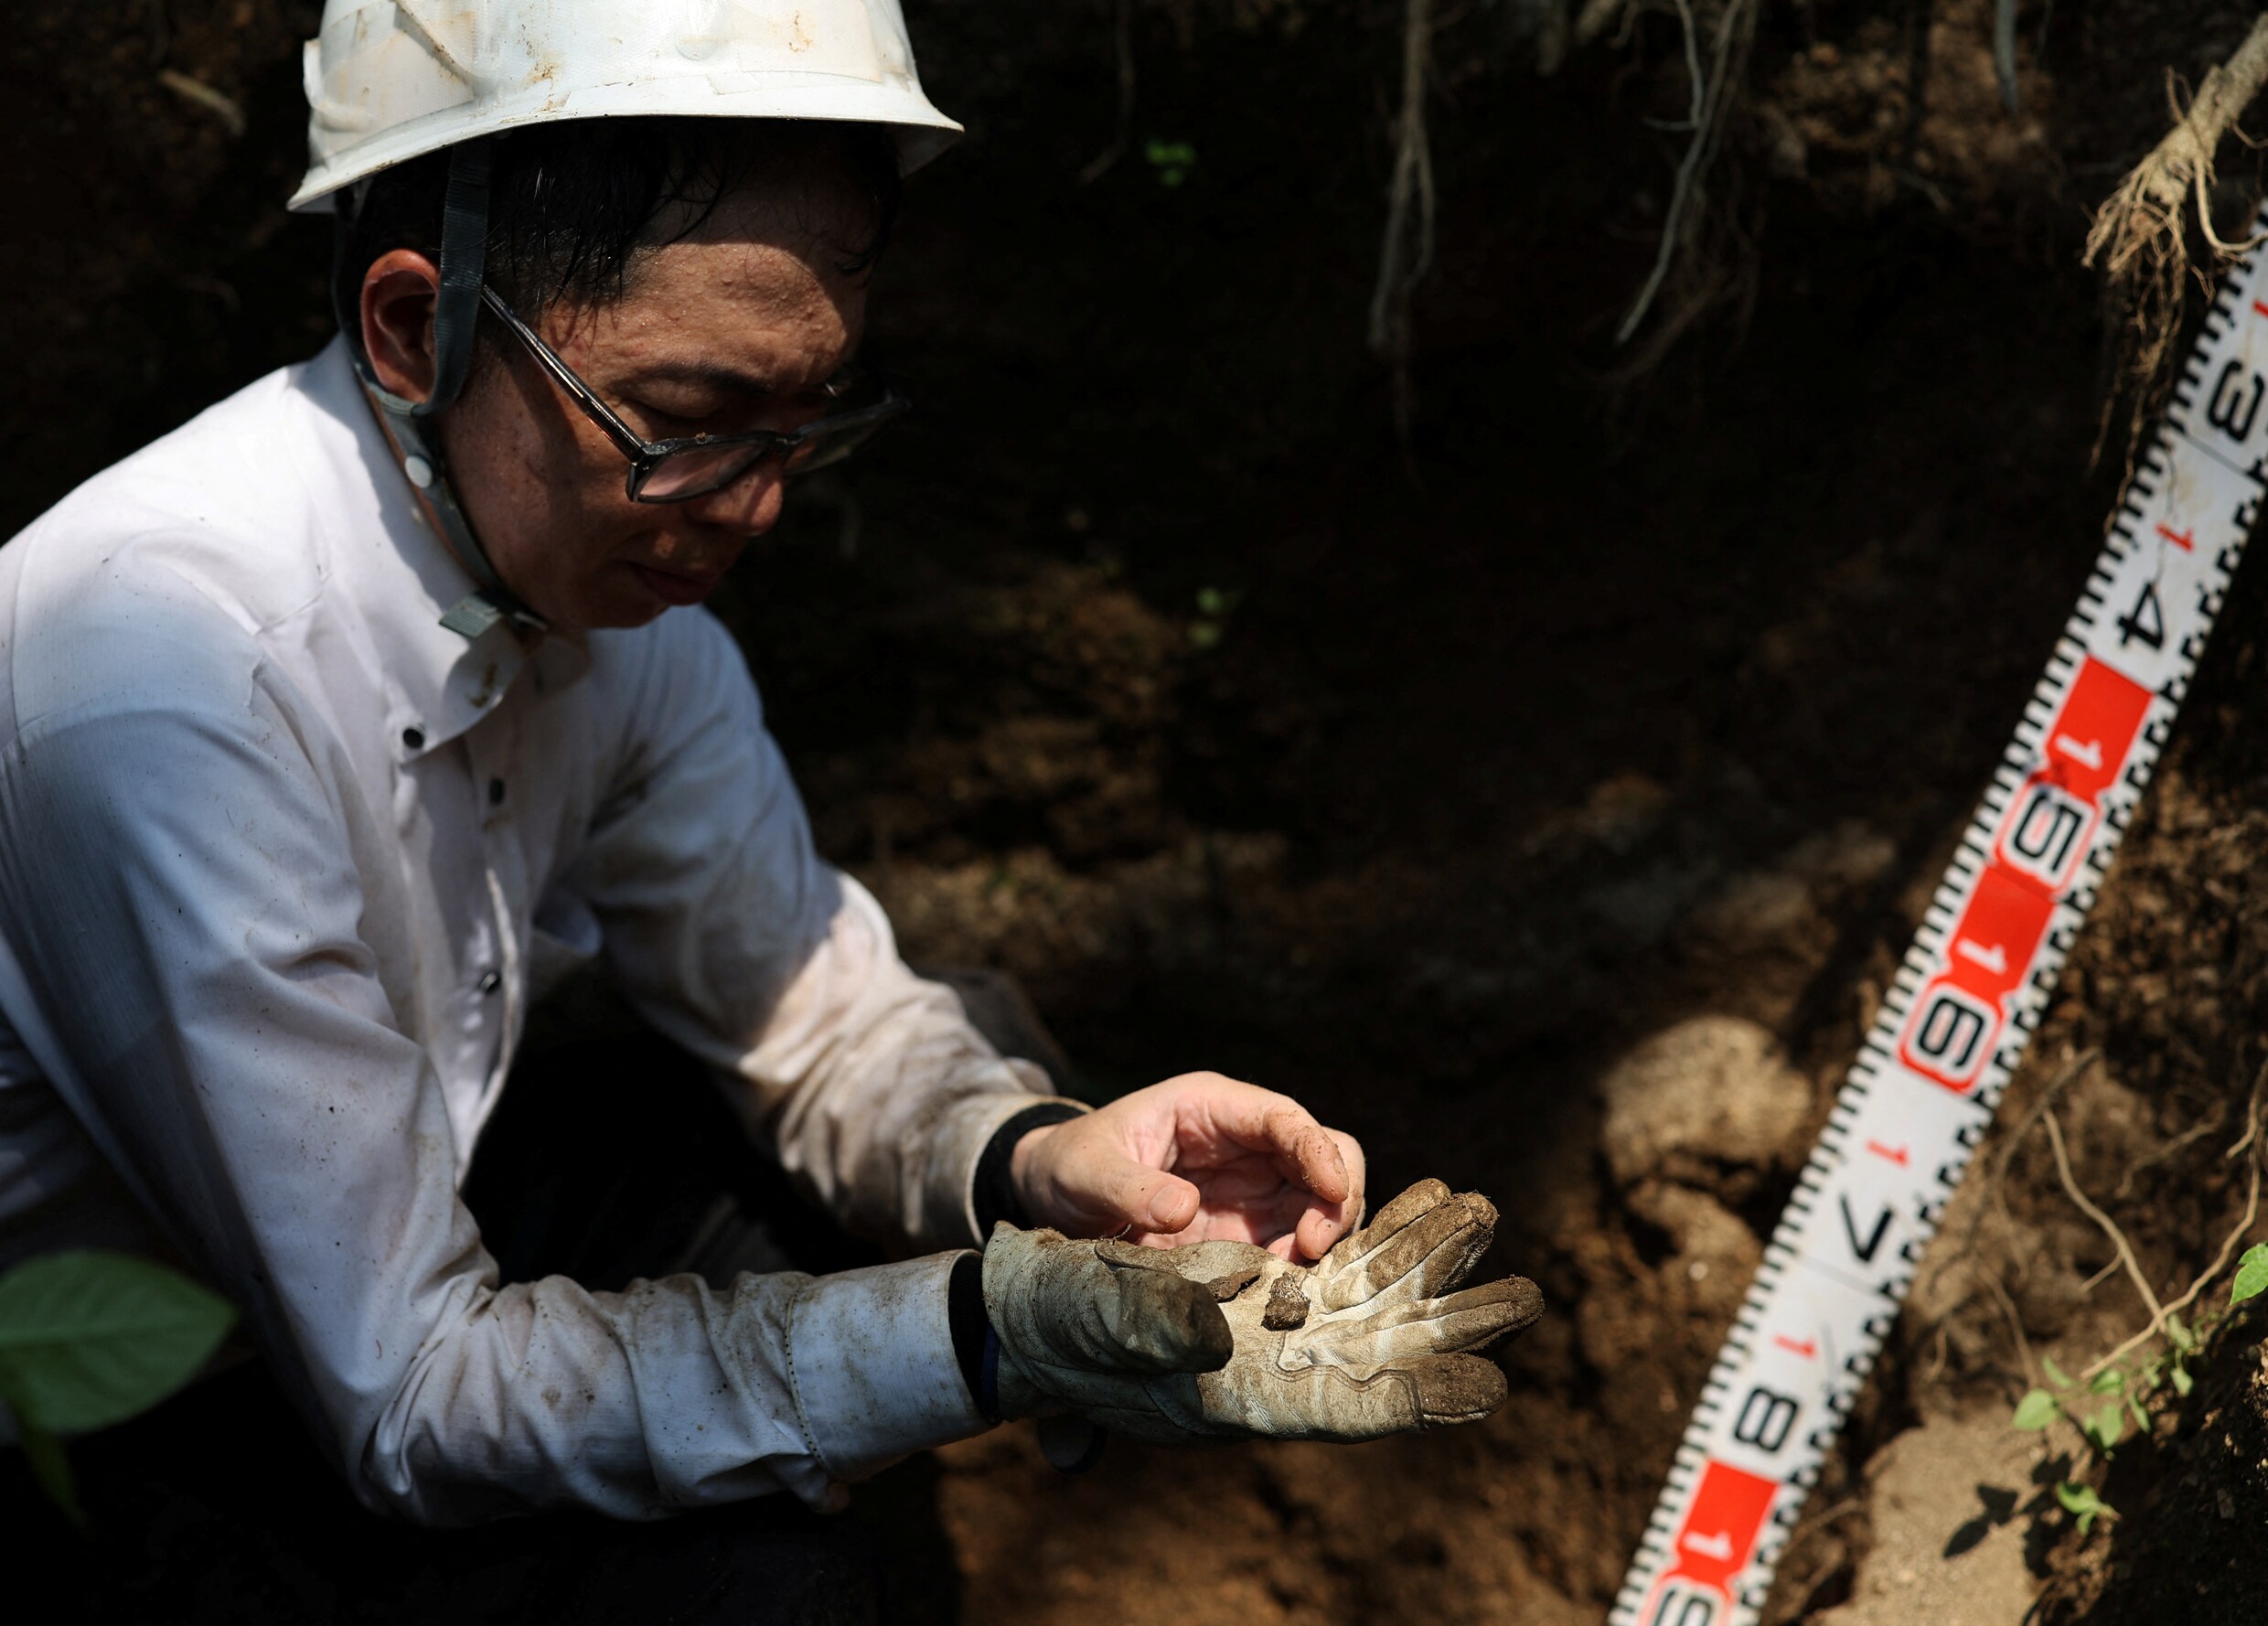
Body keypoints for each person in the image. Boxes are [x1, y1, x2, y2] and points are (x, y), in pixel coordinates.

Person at [0, 3, 1540, 1615]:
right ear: (413, 327)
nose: (757, 505)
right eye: (683, 423)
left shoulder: (599, 606)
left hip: (366, 1262)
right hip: (128, 1416)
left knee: (772, 1189)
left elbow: (810, 1013)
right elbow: (408, 1393)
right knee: (764, 1580)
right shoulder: (167, 683)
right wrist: (986, 1332)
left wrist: (1037, 1158)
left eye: (803, 417)